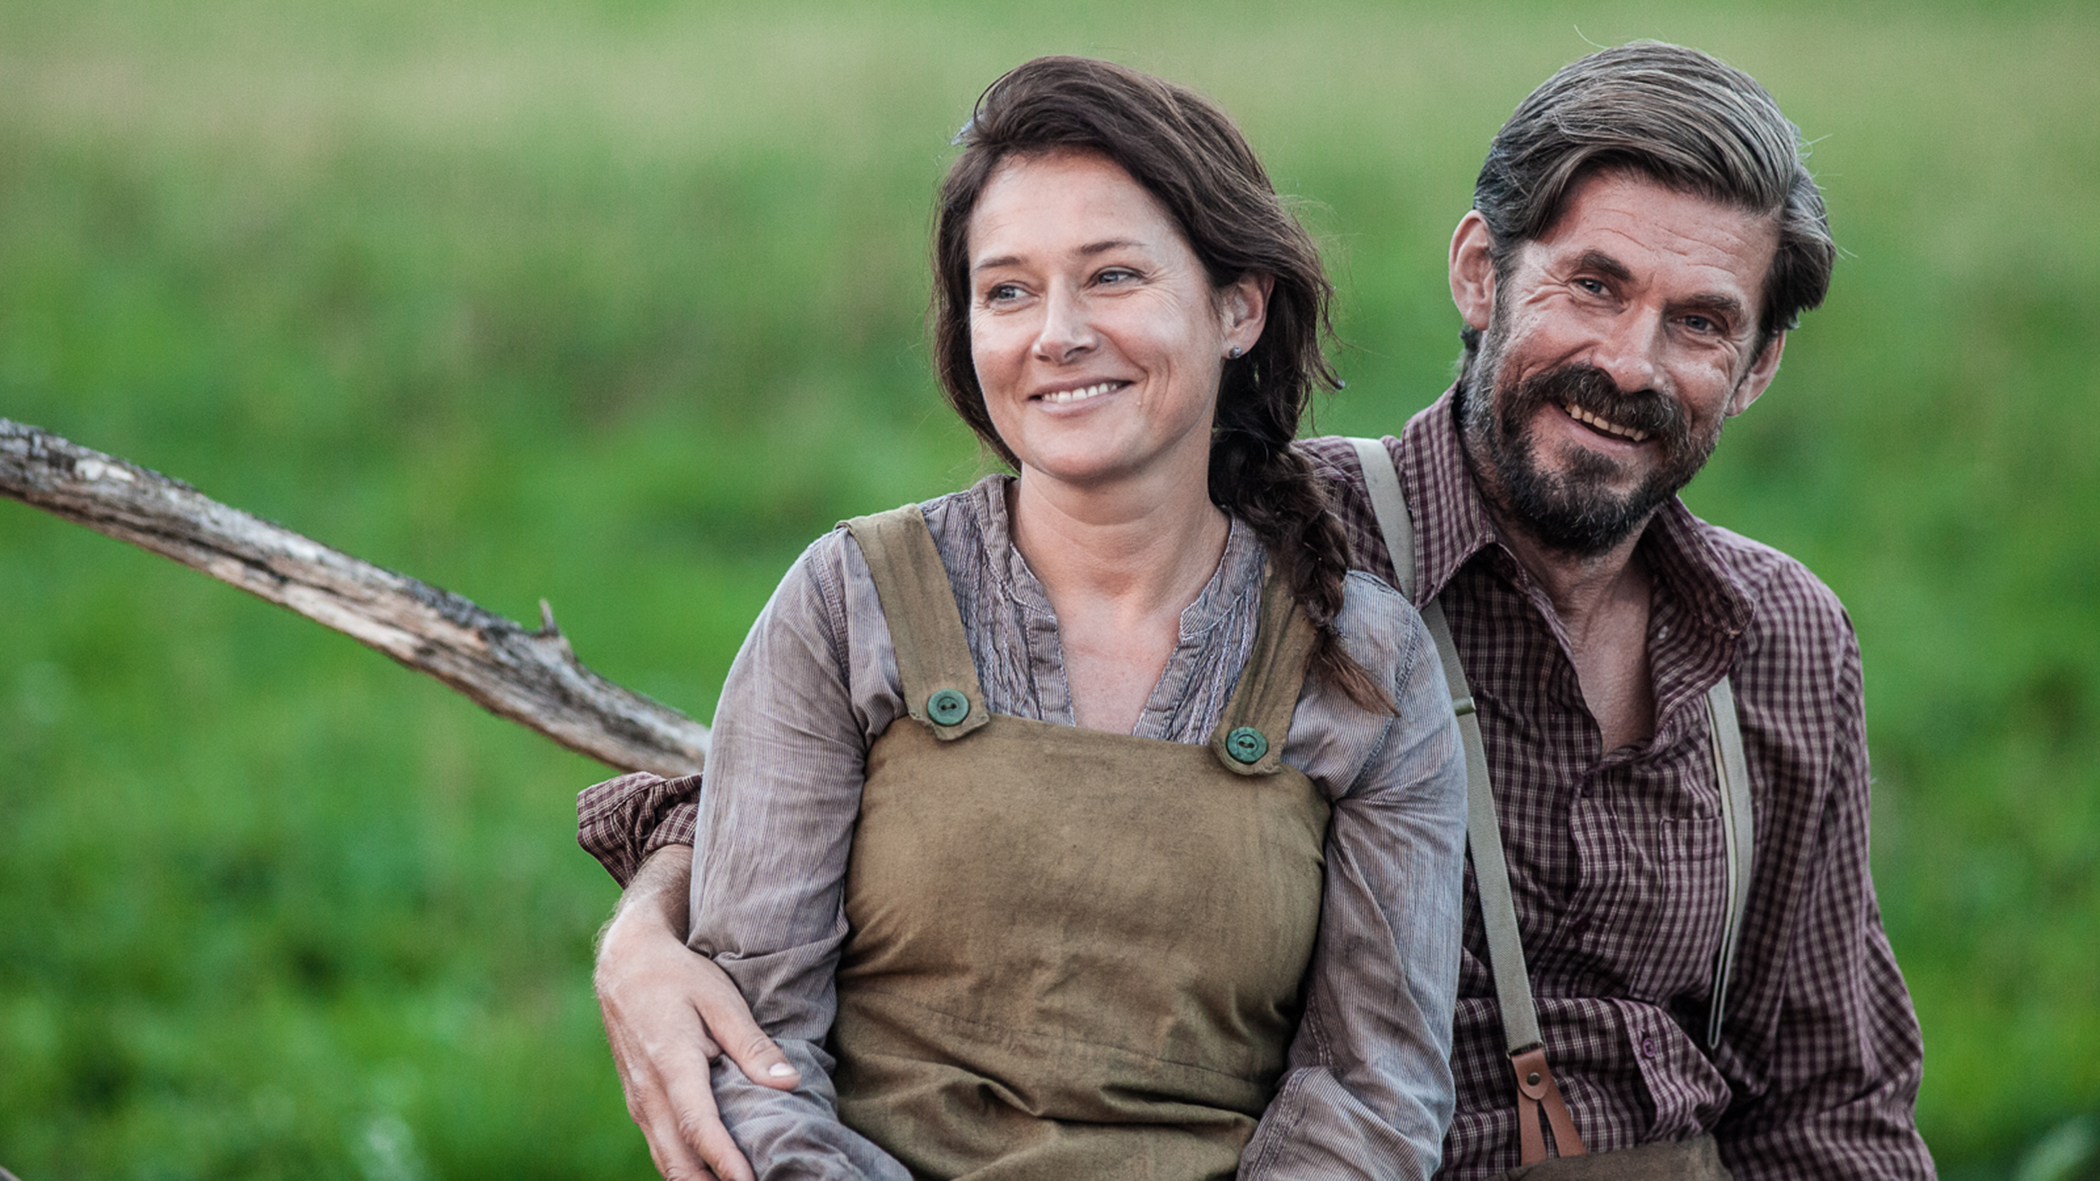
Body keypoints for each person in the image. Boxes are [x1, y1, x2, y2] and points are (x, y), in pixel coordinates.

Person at [582, 42, 1935, 1180]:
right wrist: (651, 924)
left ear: (1755, 366)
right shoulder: (1287, 542)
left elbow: (1833, 1092)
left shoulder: (1783, 635)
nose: (1626, 363)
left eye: (1701, 323)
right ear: (1480, 274)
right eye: (1591, 285)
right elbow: (946, 702)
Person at [595, 55, 1470, 1180]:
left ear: (1238, 306)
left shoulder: (1365, 662)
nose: (1054, 333)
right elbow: (753, 1049)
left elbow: (1374, 1093)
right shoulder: (847, 602)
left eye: (1111, 276)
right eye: (1007, 290)